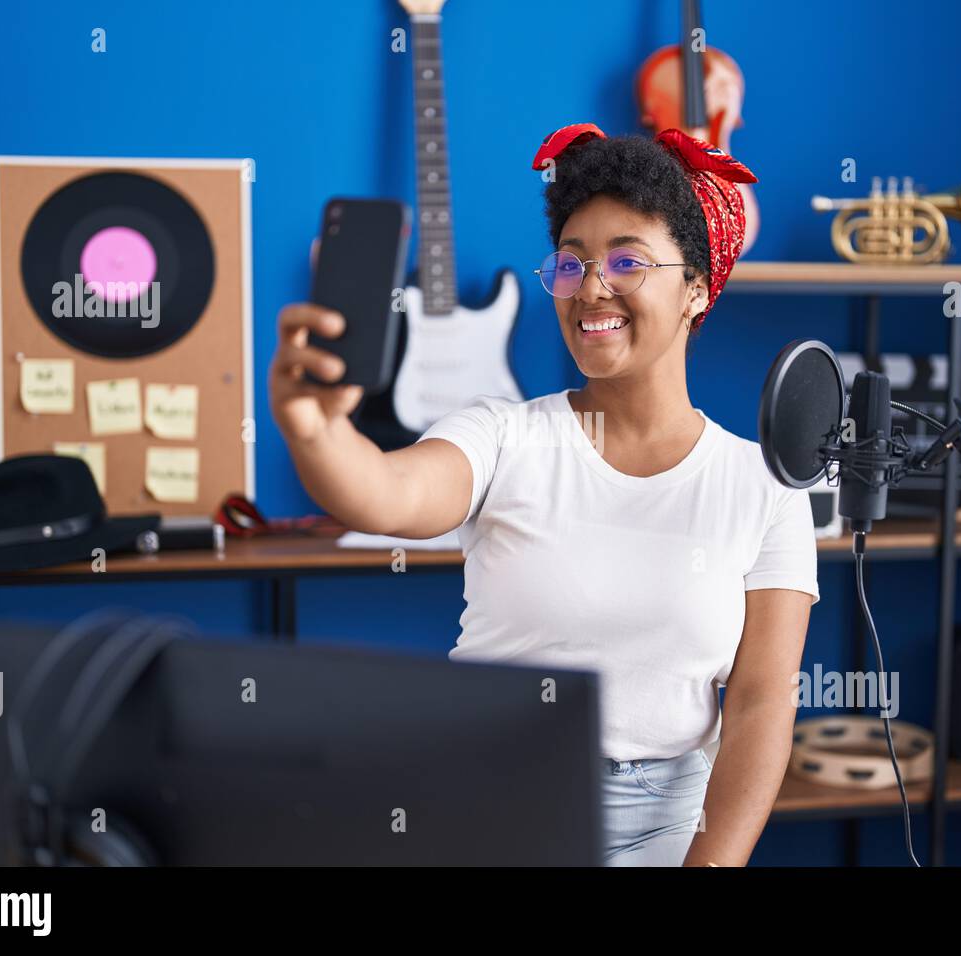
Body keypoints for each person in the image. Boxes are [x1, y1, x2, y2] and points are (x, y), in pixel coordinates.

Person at [269, 122, 819, 867]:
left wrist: (710, 864)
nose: (591, 286)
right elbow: (385, 494)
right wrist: (315, 433)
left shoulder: (767, 485)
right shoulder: (503, 438)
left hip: (671, 820)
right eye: (570, 263)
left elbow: (761, 703)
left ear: (696, 289)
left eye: (626, 260)